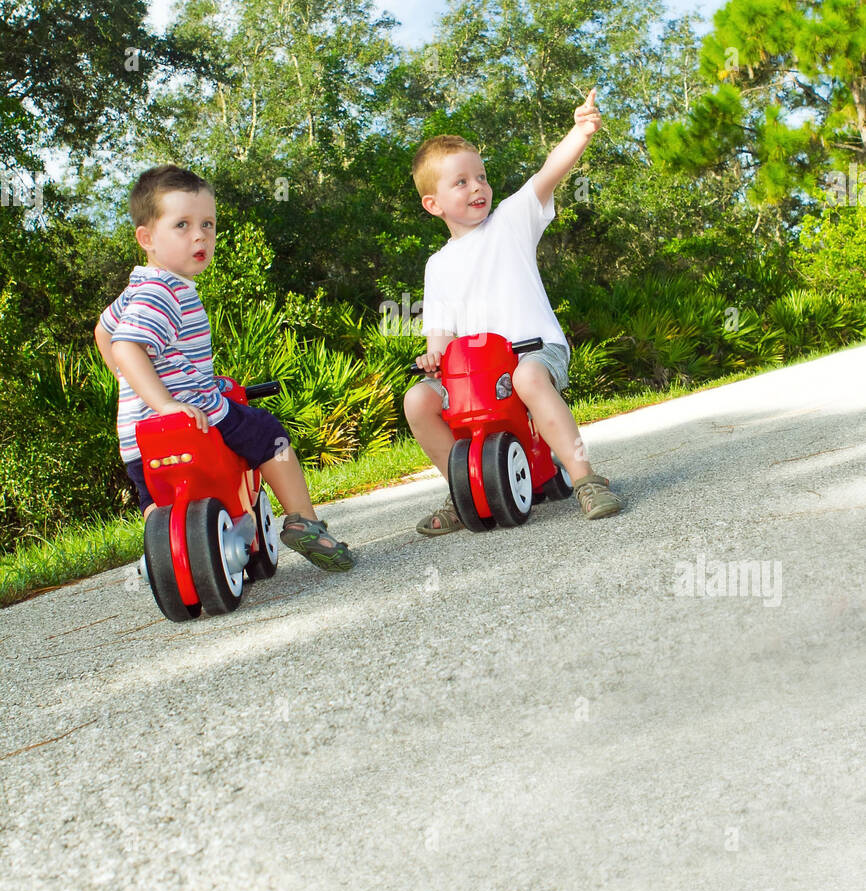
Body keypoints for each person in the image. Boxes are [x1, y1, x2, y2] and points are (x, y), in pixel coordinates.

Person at [94, 164, 353, 571]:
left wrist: (131, 386)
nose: (200, 235)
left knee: (156, 496)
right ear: (146, 238)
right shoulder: (166, 289)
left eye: (208, 224)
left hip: (136, 439)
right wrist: (164, 404)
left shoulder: (135, 289)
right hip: (198, 417)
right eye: (182, 225)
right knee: (270, 435)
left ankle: (164, 558)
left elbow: (103, 333)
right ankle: (304, 521)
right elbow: (127, 346)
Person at [404, 89, 623, 534]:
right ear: (434, 204)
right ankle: (462, 490)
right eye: (461, 182)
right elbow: (440, 336)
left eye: (481, 177)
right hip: (474, 373)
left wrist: (580, 132)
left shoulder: (510, 221)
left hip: (535, 352)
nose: (477, 188)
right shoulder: (438, 265)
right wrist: (433, 360)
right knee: (418, 399)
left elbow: (548, 173)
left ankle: (584, 478)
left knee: (527, 377)